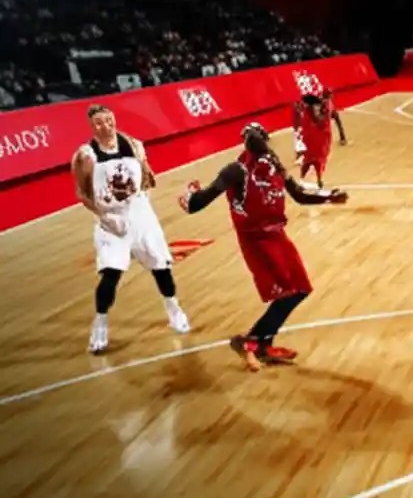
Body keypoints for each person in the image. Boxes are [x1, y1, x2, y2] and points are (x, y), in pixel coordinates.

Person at [178, 122, 348, 372]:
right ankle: (248, 342)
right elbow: (199, 202)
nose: (259, 141)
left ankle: (264, 344)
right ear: (245, 142)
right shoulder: (235, 170)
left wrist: (328, 197)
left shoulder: (274, 164)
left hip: (277, 234)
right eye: (252, 137)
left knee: (301, 289)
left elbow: (299, 194)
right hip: (256, 239)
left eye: (261, 137)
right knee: (287, 292)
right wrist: (190, 195)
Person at [73, 104, 190, 354]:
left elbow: (146, 174)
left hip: (140, 214)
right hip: (110, 221)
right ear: (92, 127)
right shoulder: (85, 156)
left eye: (108, 120)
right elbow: (82, 193)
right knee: (111, 274)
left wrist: (148, 176)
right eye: (99, 123)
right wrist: (102, 215)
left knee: (161, 267)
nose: (106, 125)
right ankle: (100, 323)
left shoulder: (134, 145)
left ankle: (174, 310)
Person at [293, 88, 347, 164]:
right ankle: (302, 153)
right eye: (330, 95)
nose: (331, 97)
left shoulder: (327, 102)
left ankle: (342, 136)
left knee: (336, 117)